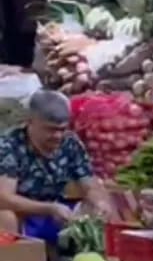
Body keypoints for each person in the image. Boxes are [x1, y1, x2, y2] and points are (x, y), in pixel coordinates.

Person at [0, 89, 114, 243]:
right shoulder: (9, 146)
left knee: (95, 206)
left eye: (62, 129)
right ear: (30, 122)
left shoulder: (70, 143)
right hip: (23, 212)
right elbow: (4, 198)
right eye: (50, 130)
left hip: (55, 212)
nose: (57, 136)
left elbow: (90, 184)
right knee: (5, 215)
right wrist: (49, 208)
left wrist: (100, 203)